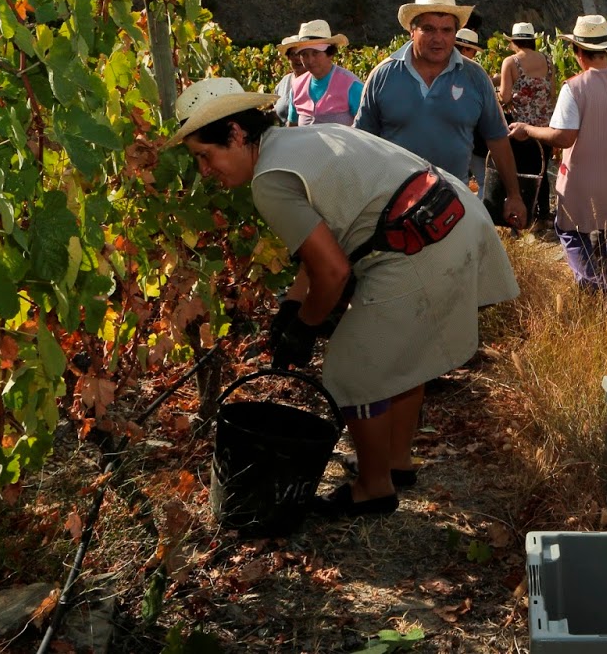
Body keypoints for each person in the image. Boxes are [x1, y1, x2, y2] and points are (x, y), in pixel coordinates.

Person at [170, 78, 519, 517]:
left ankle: (373, 487)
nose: (204, 170)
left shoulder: (269, 180)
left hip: (422, 241)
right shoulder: (299, 141)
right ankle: (395, 461)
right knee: (402, 351)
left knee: (351, 368)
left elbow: (333, 271)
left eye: (205, 155)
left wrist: (305, 326)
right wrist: (292, 305)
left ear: (237, 134)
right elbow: (323, 243)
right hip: (452, 217)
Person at [510, 16, 607, 306]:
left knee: (569, 232)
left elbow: (563, 137)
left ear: (578, 52)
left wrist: (528, 129)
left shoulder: (575, 87)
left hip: (583, 183)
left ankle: (591, 288)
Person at [354, 0, 527, 230]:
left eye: (446, 30)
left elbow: (497, 138)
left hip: (453, 205)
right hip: (391, 204)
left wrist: (514, 195)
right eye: (428, 29)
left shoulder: (475, 77)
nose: (439, 38)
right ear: (412, 31)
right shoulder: (383, 76)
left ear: (456, 33)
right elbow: (362, 141)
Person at [495, 22, 554, 226]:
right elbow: (551, 93)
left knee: (521, 171)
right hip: (545, 127)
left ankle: (525, 214)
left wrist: (497, 94)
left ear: (514, 42)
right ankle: (543, 214)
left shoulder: (511, 62)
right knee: (542, 170)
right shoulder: (547, 60)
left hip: (520, 127)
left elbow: (505, 96)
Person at [276, 19, 362, 126]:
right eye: (304, 54)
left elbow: (367, 127)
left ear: (330, 54)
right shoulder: (297, 86)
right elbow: (293, 126)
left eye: (315, 53)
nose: (310, 60)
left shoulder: (351, 85)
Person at [454, 27, 489, 196]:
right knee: (482, 180)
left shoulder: (440, 67)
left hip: (454, 136)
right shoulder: (471, 72)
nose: (474, 55)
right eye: (473, 51)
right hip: (470, 136)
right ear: (466, 49)